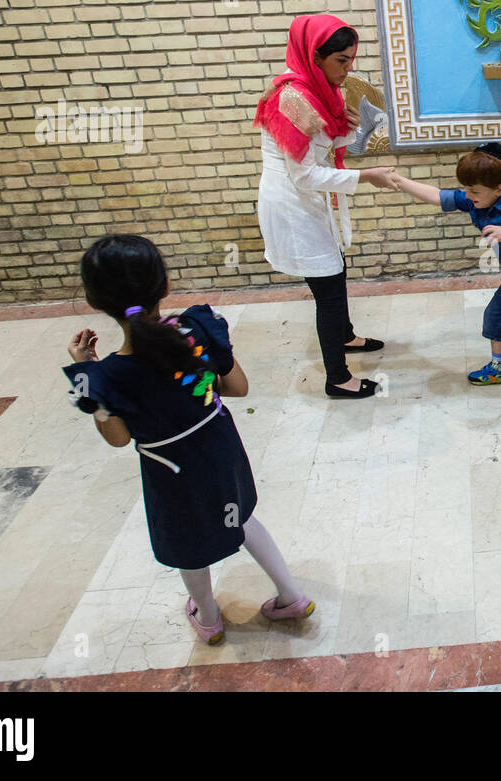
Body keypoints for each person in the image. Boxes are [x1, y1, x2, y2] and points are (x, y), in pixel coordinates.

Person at [62, 235, 313, 646]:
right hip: (219, 447)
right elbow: (238, 387)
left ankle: (209, 618)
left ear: (96, 301)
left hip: (169, 469)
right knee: (241, 516)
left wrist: (87, 370)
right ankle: (292, 596)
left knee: (186, 543)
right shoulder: (195, 329)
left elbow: (118, 439)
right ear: (164, 285)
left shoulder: (104, 376)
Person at [254, 14, 397, 400]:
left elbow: (331, 144)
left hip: (306, 197)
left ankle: (346, 336)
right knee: (328, 286)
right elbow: (305, 175)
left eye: (352, 59)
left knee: (335, 269)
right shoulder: (293, 98)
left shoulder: (322, 87)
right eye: (342, 61)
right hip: (291, 201)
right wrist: (367, 176)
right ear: (314, 56)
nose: (349, 69)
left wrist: (353, 126)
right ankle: (338, 378)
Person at [389, 143, 501, 424]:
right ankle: (500, 369)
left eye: (473, 191)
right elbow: (438, 197)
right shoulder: (478, 197)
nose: (467, 196)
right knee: (494, 319)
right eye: (466, 189)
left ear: (499, 188)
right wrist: (399, 181)